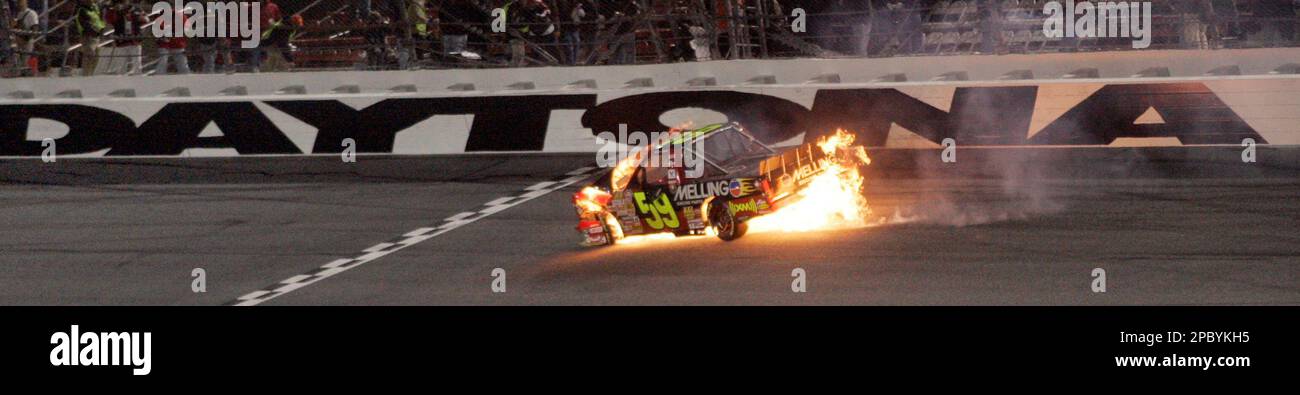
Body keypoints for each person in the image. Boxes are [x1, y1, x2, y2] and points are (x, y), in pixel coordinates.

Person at [101, 0, 147, 75]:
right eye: (121, 2)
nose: (123, 3)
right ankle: (120, 83)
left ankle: (139, 81)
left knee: (137, 64)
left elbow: (146, 20)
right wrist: (113, 10)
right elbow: (108, 20)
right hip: (121, 40)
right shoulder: (116, 11)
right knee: (120, 65)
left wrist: (137, 17)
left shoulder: (136, 9)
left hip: (134, 40)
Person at [73, 0, 108, 76]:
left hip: (97, 36)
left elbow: (99, 20)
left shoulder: (95, 8)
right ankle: (86, 74)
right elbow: (84, 24)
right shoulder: (82, 10)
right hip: (88, 36)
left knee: (96, 56)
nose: (92, 1)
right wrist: (94, 29)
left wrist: (101, 30)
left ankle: (91, 73)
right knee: (89, 54)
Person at [152, 7, 189, 74]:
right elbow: (157, 29)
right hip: (164, 43)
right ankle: (159, 78)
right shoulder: (160, 16)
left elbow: (187, 27)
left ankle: (186, 78)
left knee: (182, 63)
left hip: (178, 43)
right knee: (163, 61)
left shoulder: (180, 15)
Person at [14, 0, 40, 76]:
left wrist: (26, 39)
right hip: (19, 40)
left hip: (27, 40)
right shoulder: (19, 14)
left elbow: (35, 28)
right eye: (18, 2)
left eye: (21, 2)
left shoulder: (32, 13)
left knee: (26, 60)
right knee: (19, 61)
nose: (19, 4)